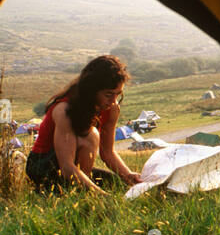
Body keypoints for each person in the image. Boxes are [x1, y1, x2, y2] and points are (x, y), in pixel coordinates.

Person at [25, 54, 145, 194]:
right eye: (108, 95)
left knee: (120, 186)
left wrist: (128, 175)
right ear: (92, 90)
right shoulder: (64, 110)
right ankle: (77, 193)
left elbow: (107, 152)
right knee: (90, 135)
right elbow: (67, 166)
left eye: (117, 94)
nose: (113, 101)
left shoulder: (111, 109)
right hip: (43, 165)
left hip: (74, 168)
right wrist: (100, 196)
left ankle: (79, 190)